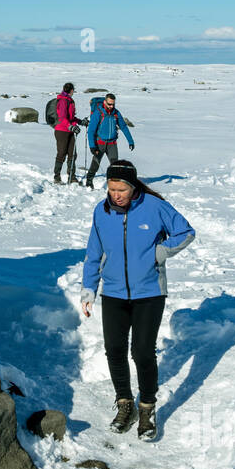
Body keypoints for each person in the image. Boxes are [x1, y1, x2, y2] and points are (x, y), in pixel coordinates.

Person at [80, 161, 196, 439]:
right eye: (111, 188)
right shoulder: (102, 211)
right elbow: (93, 252)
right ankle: (124, 403)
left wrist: (160, 252)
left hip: (149, 292)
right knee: (114, 349)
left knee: (142, 352)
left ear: (133, 188)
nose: (115, 194)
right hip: (113, 293)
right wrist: (88, 288)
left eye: (121, 189)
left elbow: (186, 232)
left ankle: (146, 407)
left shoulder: (155, 207)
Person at [84, 93, 135, 189]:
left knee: (115, 166)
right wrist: (92, 146)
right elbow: (91, 131)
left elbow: (123, 126)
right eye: (109, 104)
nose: (111, 106)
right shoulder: (98, 113)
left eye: (113, 104)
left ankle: (114, 184)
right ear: (105, 102)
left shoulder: (116, 113)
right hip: (100, 143)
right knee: (95, 164)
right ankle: (89, 180)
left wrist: (130, 141)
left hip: (112, 144)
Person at [51, 82, 88, 184]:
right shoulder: (63, 101)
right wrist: (70, 126)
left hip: (70, 130)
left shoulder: (69, 101)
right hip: (61, 131)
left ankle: (71, 176)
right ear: (71, 90)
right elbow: (62, 118)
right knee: (62, 153)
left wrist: (80, 122)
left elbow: (71, 118)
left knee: (72, 154)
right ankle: (57, 177)